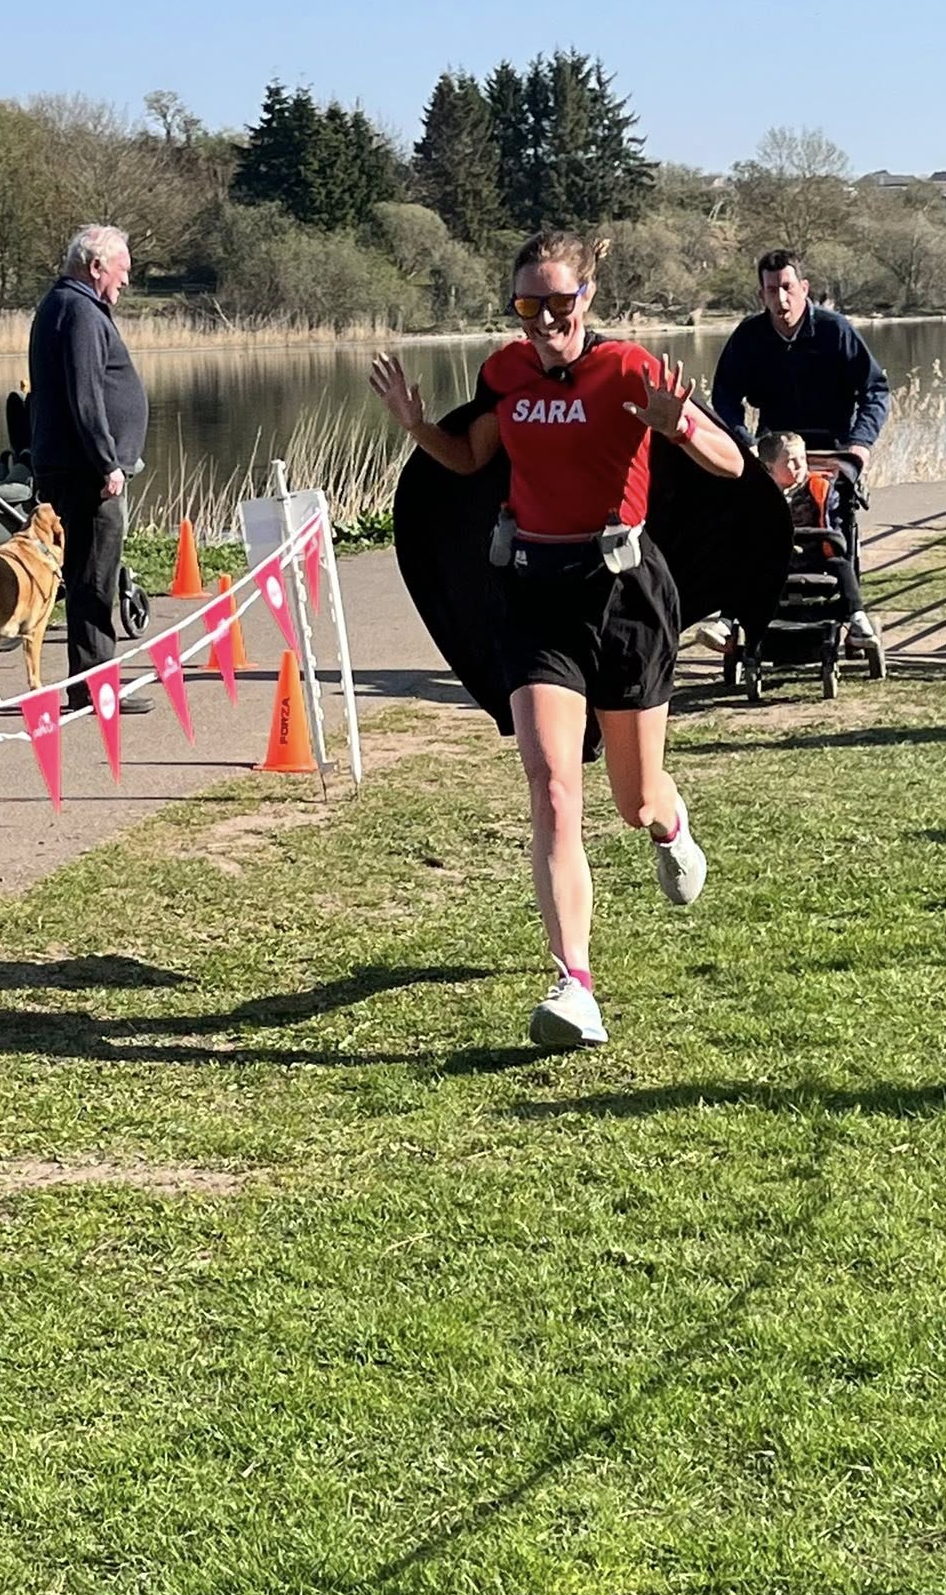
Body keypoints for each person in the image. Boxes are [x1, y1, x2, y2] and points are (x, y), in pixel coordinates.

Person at [370, 229, 747, 1052]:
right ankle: (575, 984)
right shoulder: (503, 372)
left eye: (559, 302)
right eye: (527, 304)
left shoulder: (631, 370)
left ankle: (671, 824)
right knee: (549, 784)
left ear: (588, 299)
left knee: (632, 799)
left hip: (625, 598)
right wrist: (415, 426)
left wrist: (678, 423)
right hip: (537, 595)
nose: (544, 319)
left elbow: (732, 465)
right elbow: (470, 459)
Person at [27, 224, 152, 714]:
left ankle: (90, 681)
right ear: (96, 266)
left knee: (88, 574)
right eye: (122, 271)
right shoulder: (78, 311)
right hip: (86, 471)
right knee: (94, 576)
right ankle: (95, 687)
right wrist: (107, 462)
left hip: (72, 466)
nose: (126, 281)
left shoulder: (67, 305)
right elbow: (86, 396)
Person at [710, 249, 889, 470]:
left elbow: (875, 390)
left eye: (787, 288)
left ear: (804, 288)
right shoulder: (749, 335)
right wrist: (744, 440)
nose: (781, 299)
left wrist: (861, 442)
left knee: (828, 499)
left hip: (832, 447)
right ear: (762, 296)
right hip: (775, 450)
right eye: (772, 290)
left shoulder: (835, 329)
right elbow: (724, 396)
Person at [755, 430, 877, 645]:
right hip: (774, 558)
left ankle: (856, 617)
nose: (800, 465)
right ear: (769, 466)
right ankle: (727, 621)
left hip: (817, 554)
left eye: (802, 459)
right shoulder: (761, 495)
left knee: (843, 565)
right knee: (742, 568)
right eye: (790, 461)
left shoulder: (820, 489)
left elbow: (835, 525)